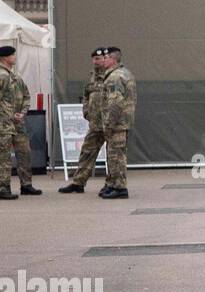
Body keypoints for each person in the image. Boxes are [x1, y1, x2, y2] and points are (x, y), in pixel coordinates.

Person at [58, 46, 136, 199]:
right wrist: (87, 111)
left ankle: (117, 186)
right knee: (90, 151)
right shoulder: (99, 76)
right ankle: (81, 182)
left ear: (112, 59)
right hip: (98, 121)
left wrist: (109, 123)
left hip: (112, 123)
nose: (100, 61)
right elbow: (87, 94)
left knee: (115, 155)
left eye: (104, 58)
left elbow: (115, 103)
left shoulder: (115, 76)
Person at [0, 45, 41, 198]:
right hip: (3, 123)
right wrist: (10, 115)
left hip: (17, 123)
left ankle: (26, 184)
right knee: (3, 156)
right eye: (13, 55)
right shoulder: (2, 76)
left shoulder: (15, 77)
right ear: (5, 57)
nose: (15, 57)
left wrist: (22, 113)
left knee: (24, 153)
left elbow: (26, 95)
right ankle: (3, 188)